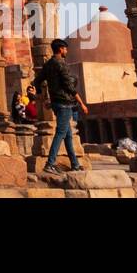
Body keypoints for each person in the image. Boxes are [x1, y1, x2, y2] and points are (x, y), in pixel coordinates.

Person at [34, 38, 86, 175]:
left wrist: (42, 97)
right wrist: (81, 103)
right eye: (65, 49)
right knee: (61, 133)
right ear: (61, 49)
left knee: (68, 135)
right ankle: (50, 164)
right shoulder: (61, 64)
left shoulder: (49, 64)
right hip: (64, 104)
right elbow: (69, 86)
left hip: (56, 103)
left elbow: (37, 80)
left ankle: (75, 164)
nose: (67, 51)